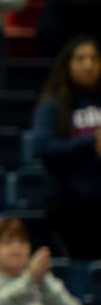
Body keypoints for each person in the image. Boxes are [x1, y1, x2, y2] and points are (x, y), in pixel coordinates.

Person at [32, 35, 101, 260]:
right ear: (68, 64)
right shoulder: (54, 105)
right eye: (81, 58)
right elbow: (42, 146)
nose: (88, 65)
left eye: (94, 58)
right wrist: (91, 143)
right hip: (69, 204)